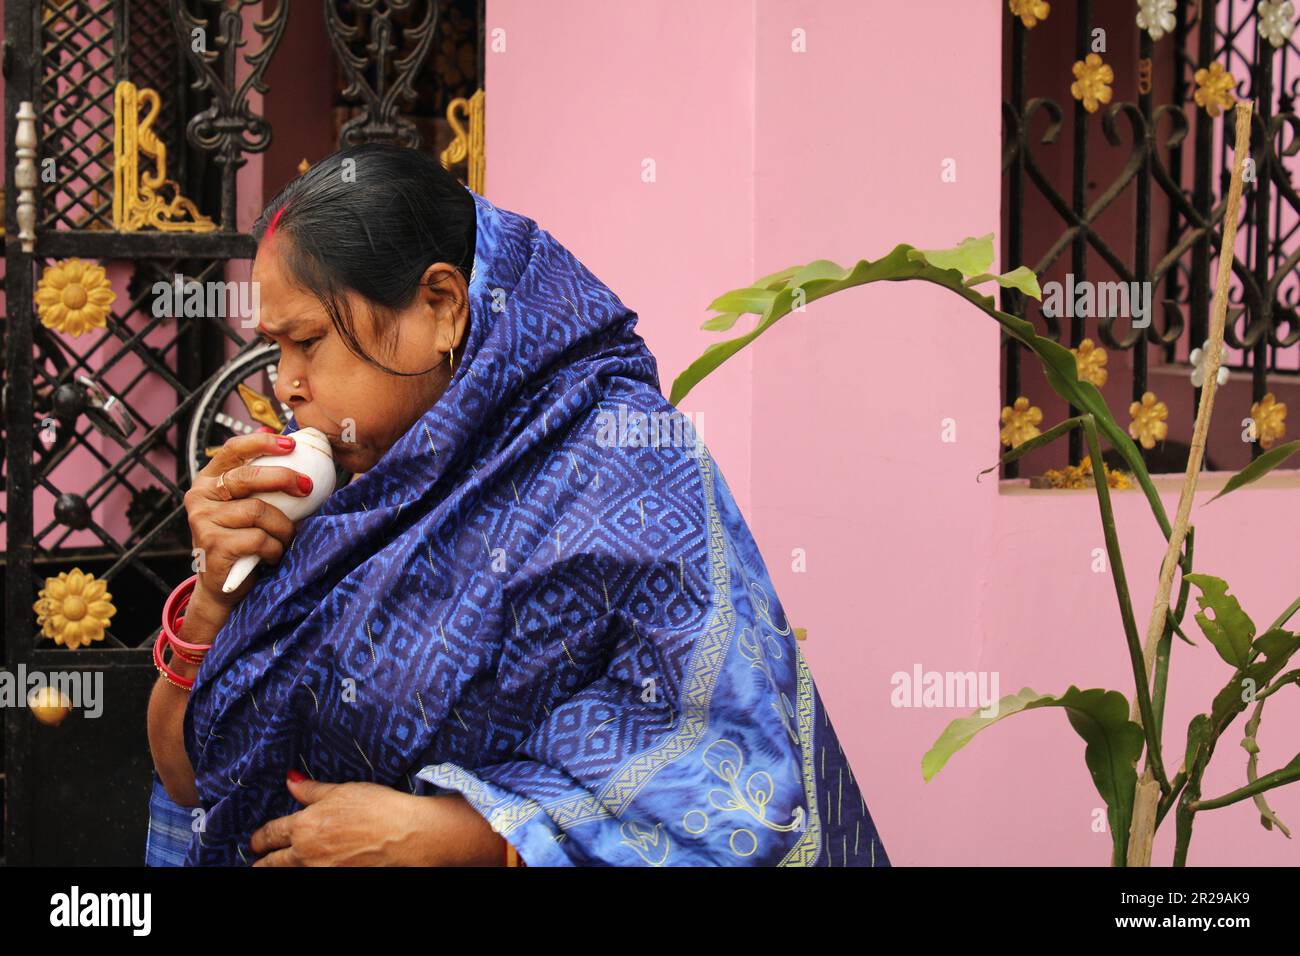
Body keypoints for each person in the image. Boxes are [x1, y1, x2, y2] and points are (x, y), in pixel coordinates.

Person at [145, 143, 890, 866]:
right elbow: (192, 779)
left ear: (441, 306)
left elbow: (735, 786)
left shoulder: (620, 463)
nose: (285, 382)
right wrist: (215, 597)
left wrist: (458, 838)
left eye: (307, 341)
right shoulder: (327, 494)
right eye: (276, 348)